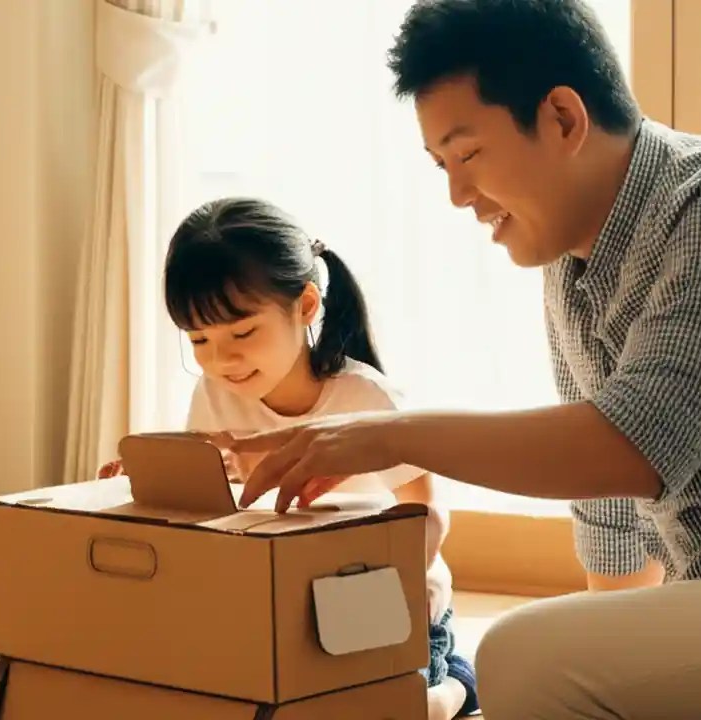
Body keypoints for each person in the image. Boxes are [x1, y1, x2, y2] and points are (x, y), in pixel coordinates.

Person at [217, 1, 701, 718]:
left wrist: (387, 434)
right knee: (553, 653)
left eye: (467, 157)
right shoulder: (570, 256)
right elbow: (607, 500)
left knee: (517, 653)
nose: (458, 195)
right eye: (440, 166)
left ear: (562, 118)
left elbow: (630, 448)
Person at [100, 196, 479, 719]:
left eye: (243, 332)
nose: (220, 359)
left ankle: (458, 683)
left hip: (388, 606)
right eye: (199, 339)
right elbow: (210, 503)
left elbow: (429, 519)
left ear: (304, 306)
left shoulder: (368, 400)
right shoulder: (215, 394)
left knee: (399, 711)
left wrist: (376, 600)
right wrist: (150, 476)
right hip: (273, 605)